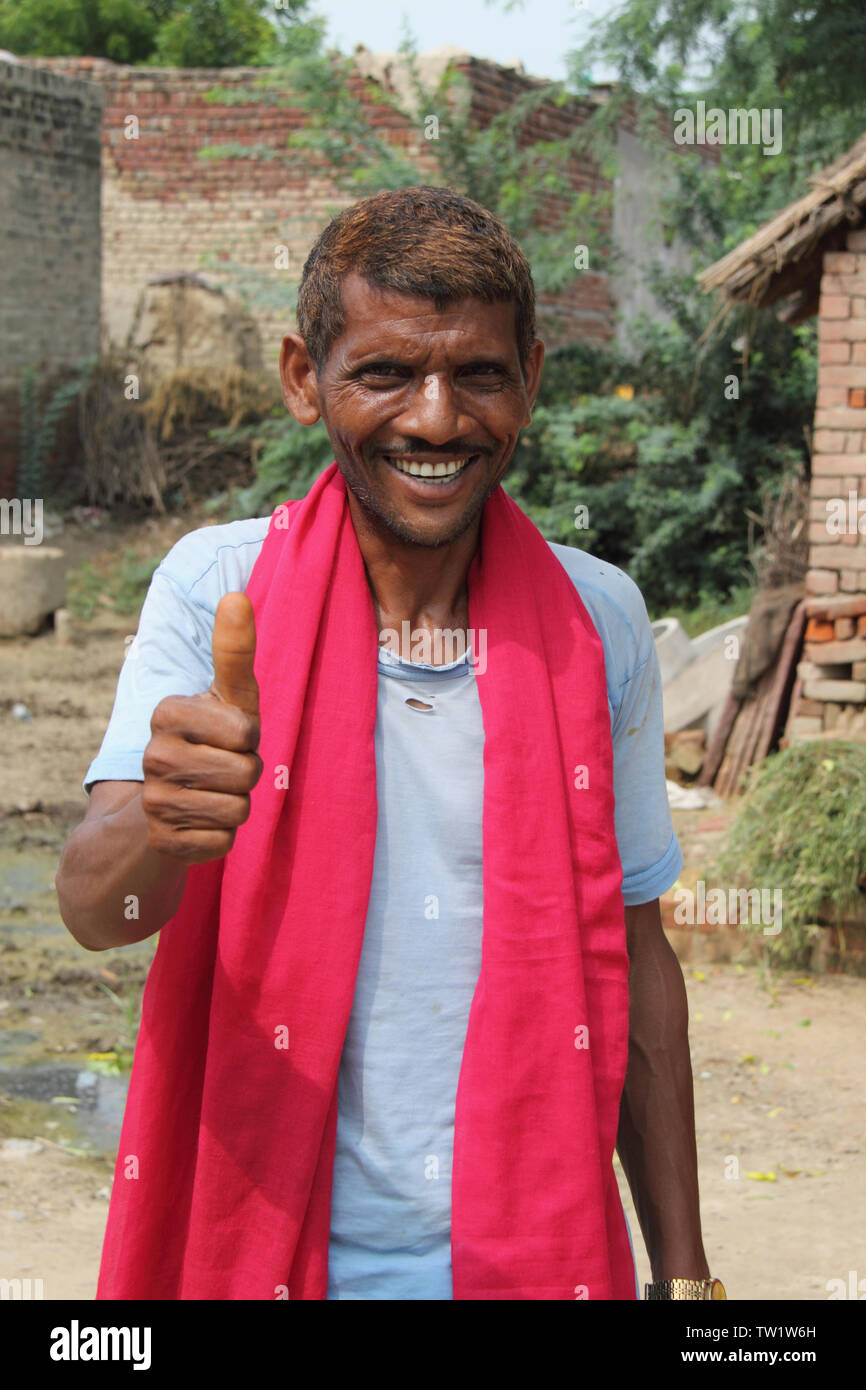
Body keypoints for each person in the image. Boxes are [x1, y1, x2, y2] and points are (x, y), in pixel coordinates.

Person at [56, 185, 719, 1302]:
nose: (436, 419)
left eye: (478, 374)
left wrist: (688, 1279)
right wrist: (161, 829)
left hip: (527, 1252)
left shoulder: (597, 620)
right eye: (384, 373)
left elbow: (638, 955)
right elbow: (92, 910)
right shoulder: (221, 589)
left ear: (531, 380)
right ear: (302, 377)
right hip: (271, 1247)